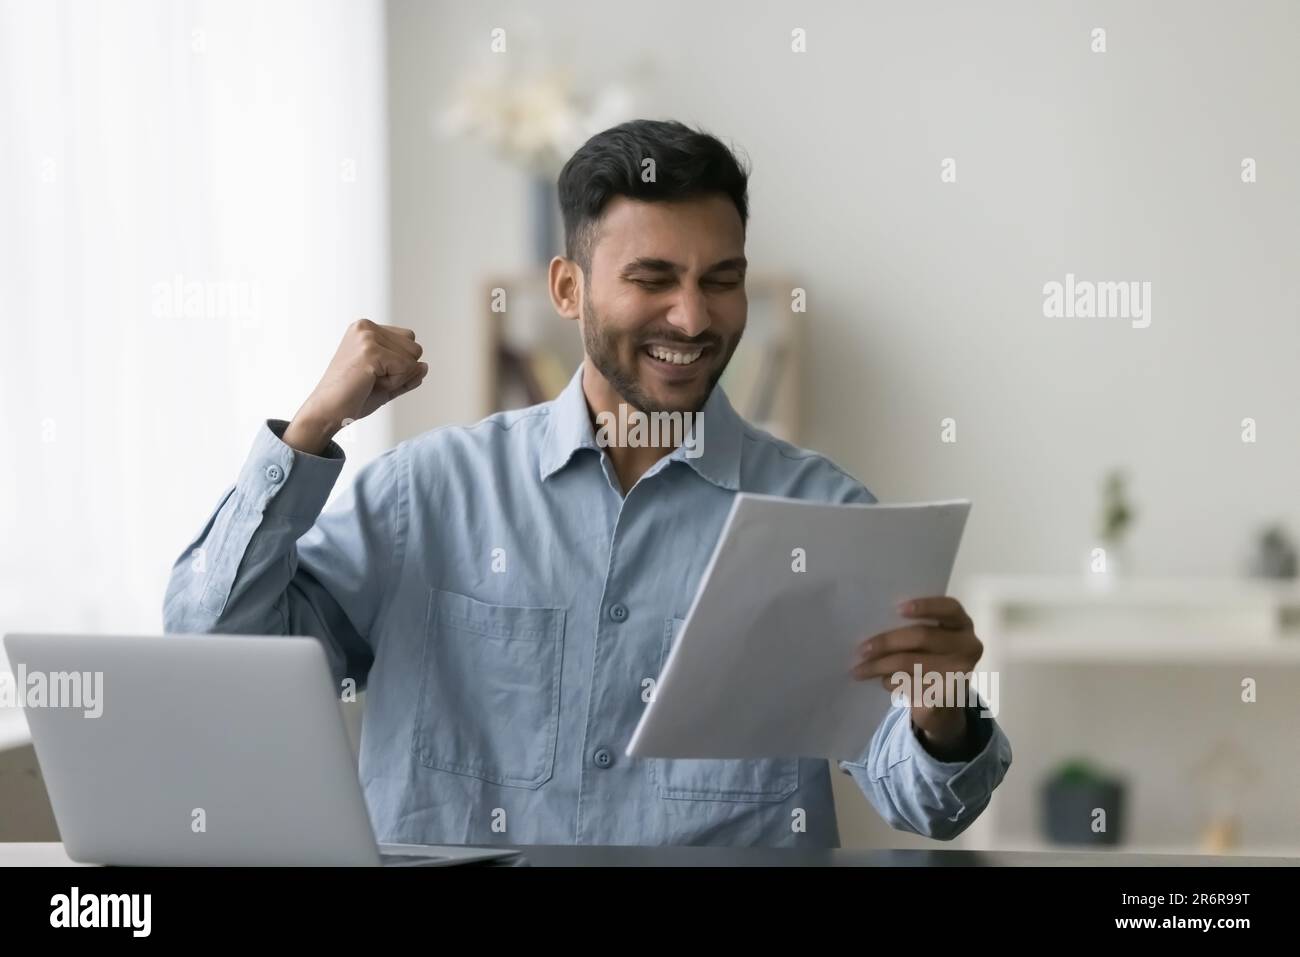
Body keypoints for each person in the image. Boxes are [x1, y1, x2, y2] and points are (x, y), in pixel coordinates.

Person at [163, 119, 1011, 847]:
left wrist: (940, 707)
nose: (693, 317)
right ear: (568, 289)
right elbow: (216, 649)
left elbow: (926, 803)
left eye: (721, 280)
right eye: (652, 279)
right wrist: (309, 429)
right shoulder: (426, 495)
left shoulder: (822, 516)